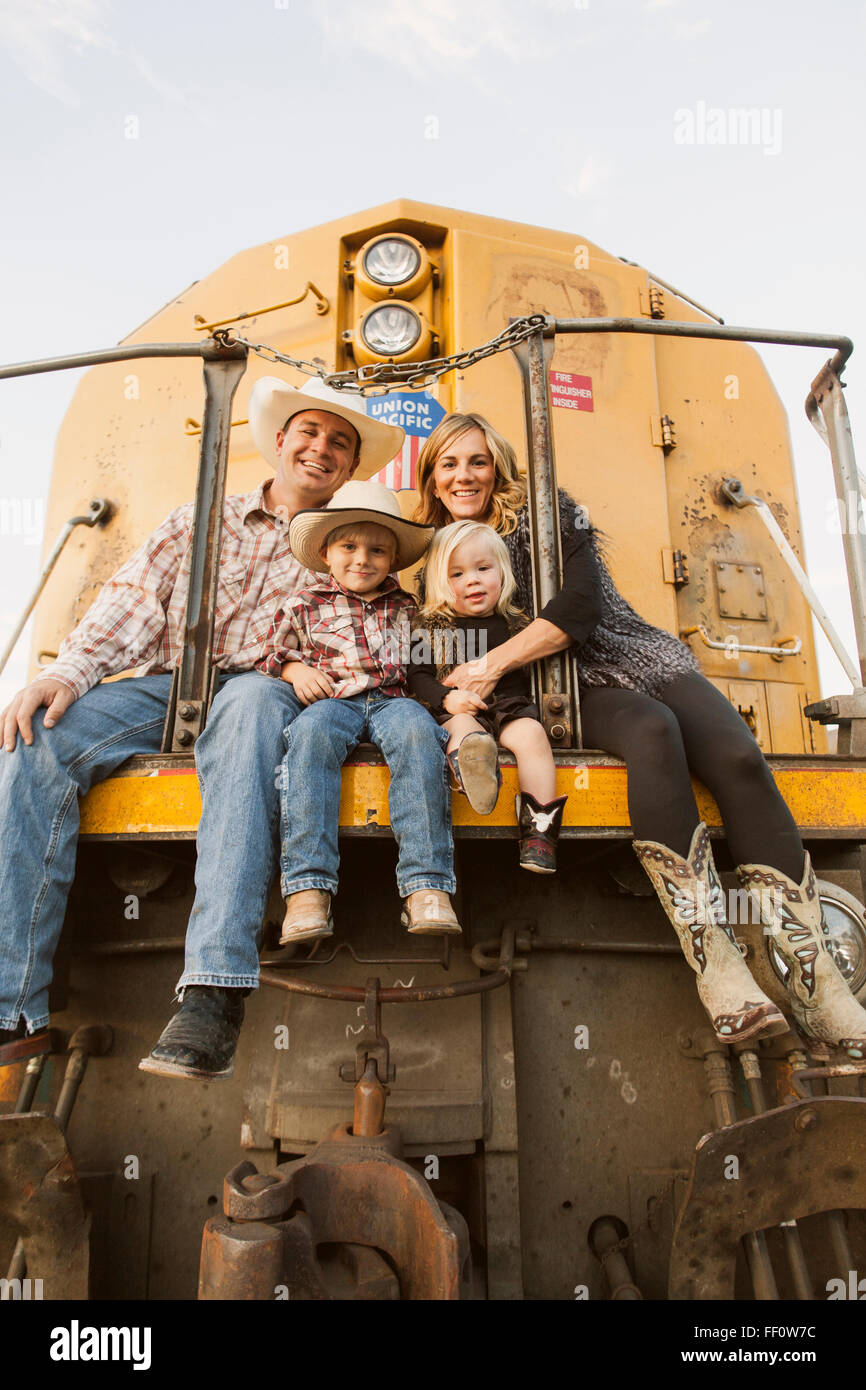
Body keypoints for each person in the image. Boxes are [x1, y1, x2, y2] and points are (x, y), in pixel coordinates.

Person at [413, 411, 866, 1058]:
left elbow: (581, 605)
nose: (465, 475)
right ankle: (719, 967)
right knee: (652, 732)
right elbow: (421, 649)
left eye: (477, 461)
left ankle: (817, 982)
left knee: (737, 755)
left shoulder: (547, 512)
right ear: (430, 475)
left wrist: (490, 663)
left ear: (498, 466)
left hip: (623, 649)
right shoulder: (429, 548)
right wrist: (463, 692)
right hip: (554, 687)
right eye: (449, 464)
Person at [0, 374, 405, 1080]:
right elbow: (127, 604)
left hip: (262, 685)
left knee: (247, 714)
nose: (322, 449)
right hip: (169, 686)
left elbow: (364, 640)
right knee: (37, 737)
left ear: (352, 464)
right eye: (310, 432)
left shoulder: (350, 546)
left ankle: (214, 991)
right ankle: (13, 1009)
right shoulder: (197, 520)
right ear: (279, 441)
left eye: (341, 443)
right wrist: (66, 674)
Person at [258, 480, 459, 944]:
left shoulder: (406, 606)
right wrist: (294, 671)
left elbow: (423, 662)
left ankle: (426, 885)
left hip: (393, 700)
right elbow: (270, 652)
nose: (362, 559)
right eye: (349, 546)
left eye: (377, 550)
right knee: (307, 740)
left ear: (392, 559)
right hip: (333, 701)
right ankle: (307, 890)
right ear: (326, 551)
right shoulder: (304, 604)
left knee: (419, 733)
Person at [409, 519, 566, 872]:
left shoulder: (516, 625)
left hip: (508, 709)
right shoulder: (431, 626)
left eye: (483, 569)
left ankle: (540, 830)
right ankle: (473, 769)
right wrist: (446, 699)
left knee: (533, 735)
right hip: (457, 708)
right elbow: (417, 677)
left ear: (502, 572)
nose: (473, 580)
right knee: (463, 728)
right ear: (439, 583)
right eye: (458, 574)